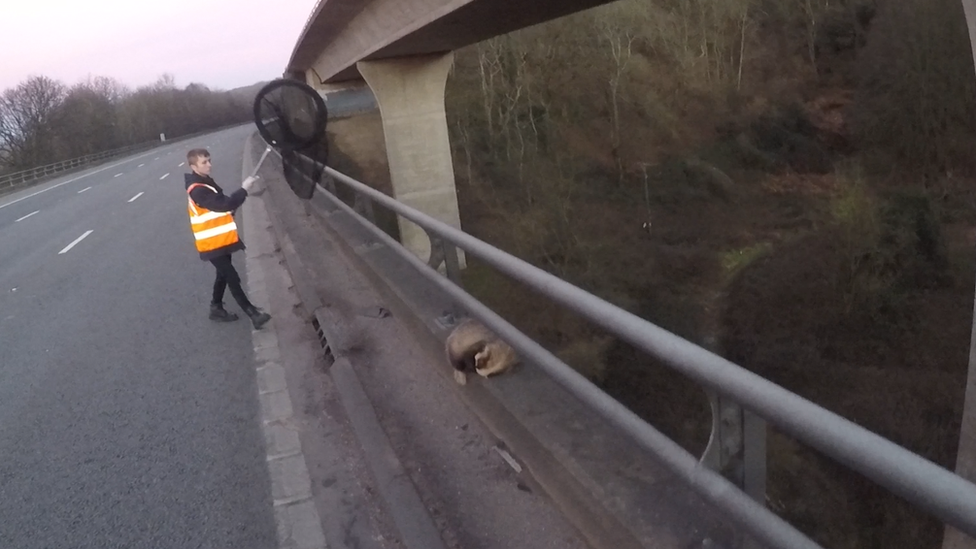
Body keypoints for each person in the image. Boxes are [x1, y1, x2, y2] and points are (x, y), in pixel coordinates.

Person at [184, 148, 271, 329]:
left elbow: (223, 207)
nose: (209, 165)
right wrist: (244, 189)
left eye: (209, 160)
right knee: (231, 276)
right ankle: (253, 314)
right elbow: (225, 204)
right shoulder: (198, 190)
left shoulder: (205, 183)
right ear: (193, 166)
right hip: (210, 243)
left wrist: (231, 207)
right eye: (204, 162)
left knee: (222, 275)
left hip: (221, 239)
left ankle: (215, 307)